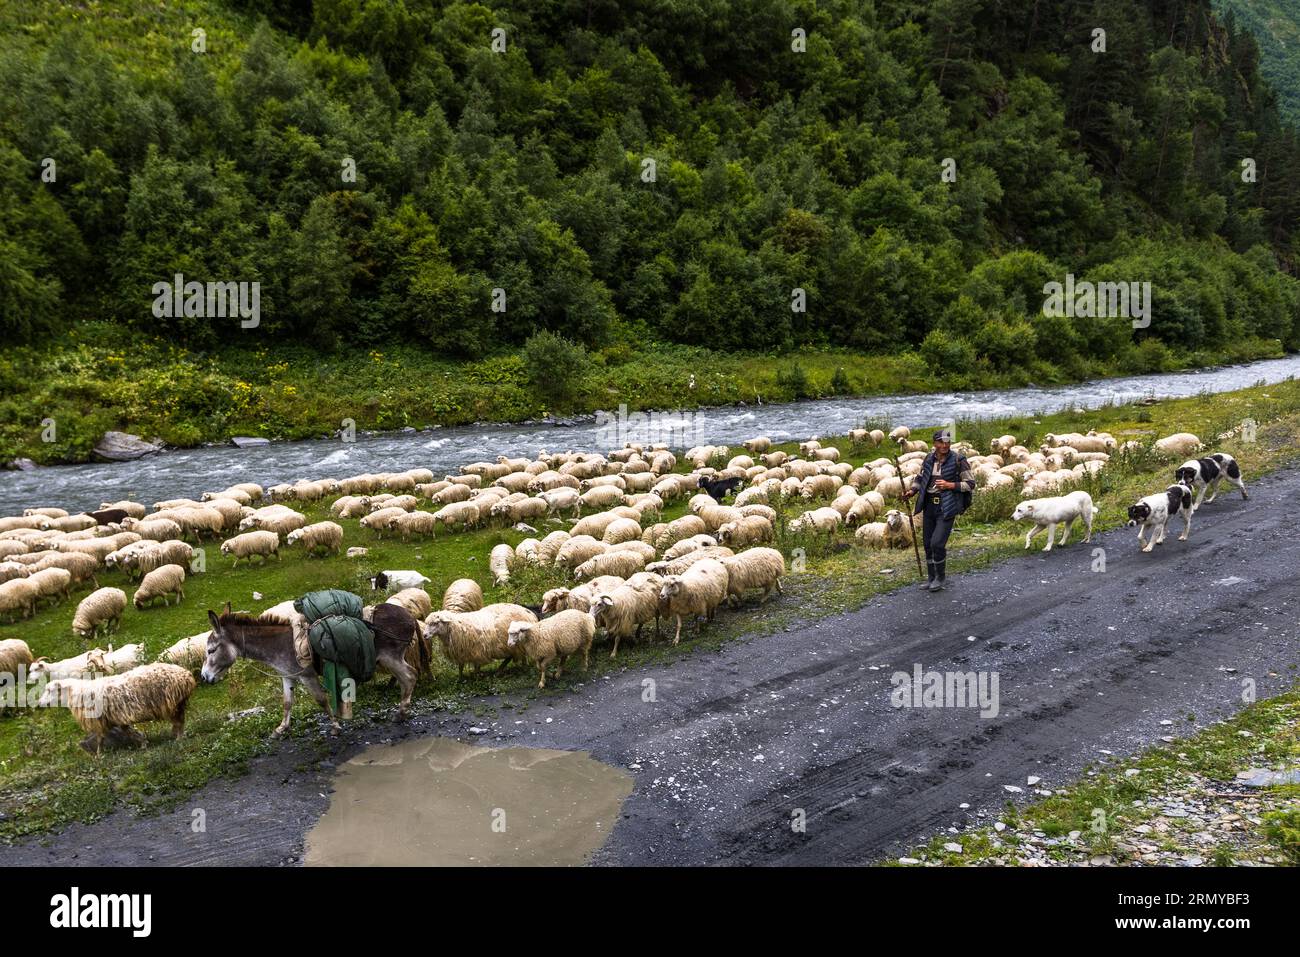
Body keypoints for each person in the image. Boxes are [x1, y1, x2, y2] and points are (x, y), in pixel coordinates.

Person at [901, 428, 974, 592]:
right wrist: (912, 491)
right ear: (934, 444)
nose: (945, 445)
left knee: (937, 543)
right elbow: (921, 478)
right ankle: (931, 577)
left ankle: (940, 577)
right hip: (929, 506)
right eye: (941, 442)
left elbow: (970, 484)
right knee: (927, 543)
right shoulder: (929, 458)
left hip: (947, 506)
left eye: (947, 442)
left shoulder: (959, 460)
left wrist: (950, 485)